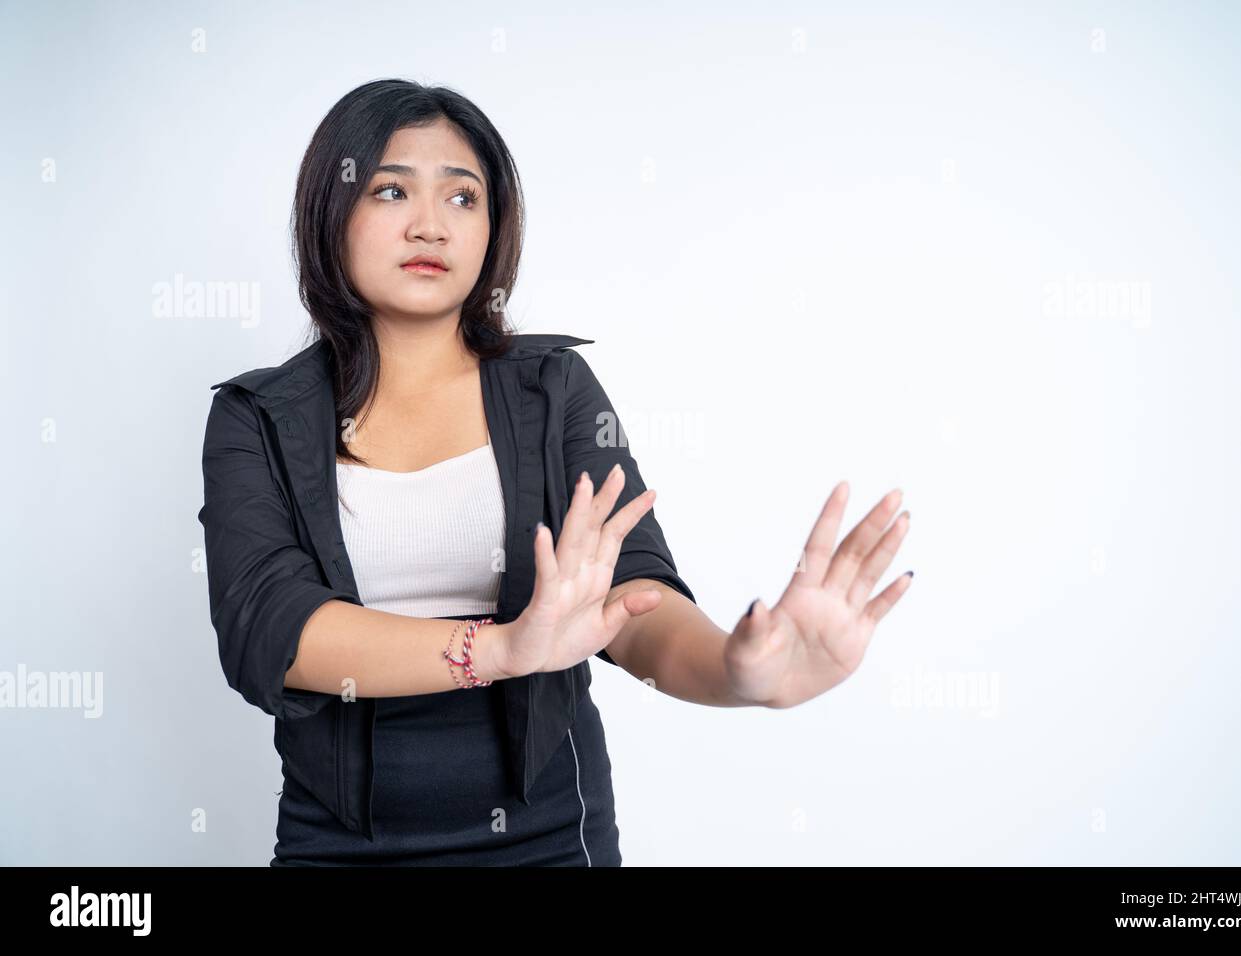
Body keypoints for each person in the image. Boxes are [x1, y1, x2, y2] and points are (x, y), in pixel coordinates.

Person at [198, 79, 914, 866]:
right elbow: (271, 631)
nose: (431, 225)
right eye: (391, 189)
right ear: (330, 212)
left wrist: (738, 675)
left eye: (463, 198)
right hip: (336, 841)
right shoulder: (258, 416)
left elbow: (632, 597)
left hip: (546, 835)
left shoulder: (554, 387)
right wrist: (500, 649)